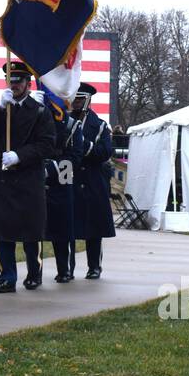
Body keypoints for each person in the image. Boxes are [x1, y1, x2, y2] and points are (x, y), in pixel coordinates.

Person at [0, 61, 52, 291]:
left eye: (19, 82)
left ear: (28, 84)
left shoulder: (40, 111)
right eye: (11, 81)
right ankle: (7, 276)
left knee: (30, 231)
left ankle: (34, 272)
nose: (14, 86)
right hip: (3, 179)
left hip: (28, 178)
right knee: (3, 232)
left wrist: (20, 156)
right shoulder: (3, 108)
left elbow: (47, 145)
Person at [71, 82, 116, 279]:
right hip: (70, 178)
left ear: (88, 100)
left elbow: (105, 152)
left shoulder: (100, 126)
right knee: (67, 228)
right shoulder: (64, 120)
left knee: (94, 229)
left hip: (92, 180)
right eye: (75, 98)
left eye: (80, 98)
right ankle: (66, 268)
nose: (76, 102)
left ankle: (94, 266)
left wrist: (84, 145)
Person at [43, 93, 85, 282]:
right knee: (34, 232)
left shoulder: (72, 125)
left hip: (63, 180)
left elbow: (74, 157)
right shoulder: (39, 119)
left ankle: (65, 269)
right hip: (37, 179)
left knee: (63, 230)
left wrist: (50, 168)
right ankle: (34, 273)